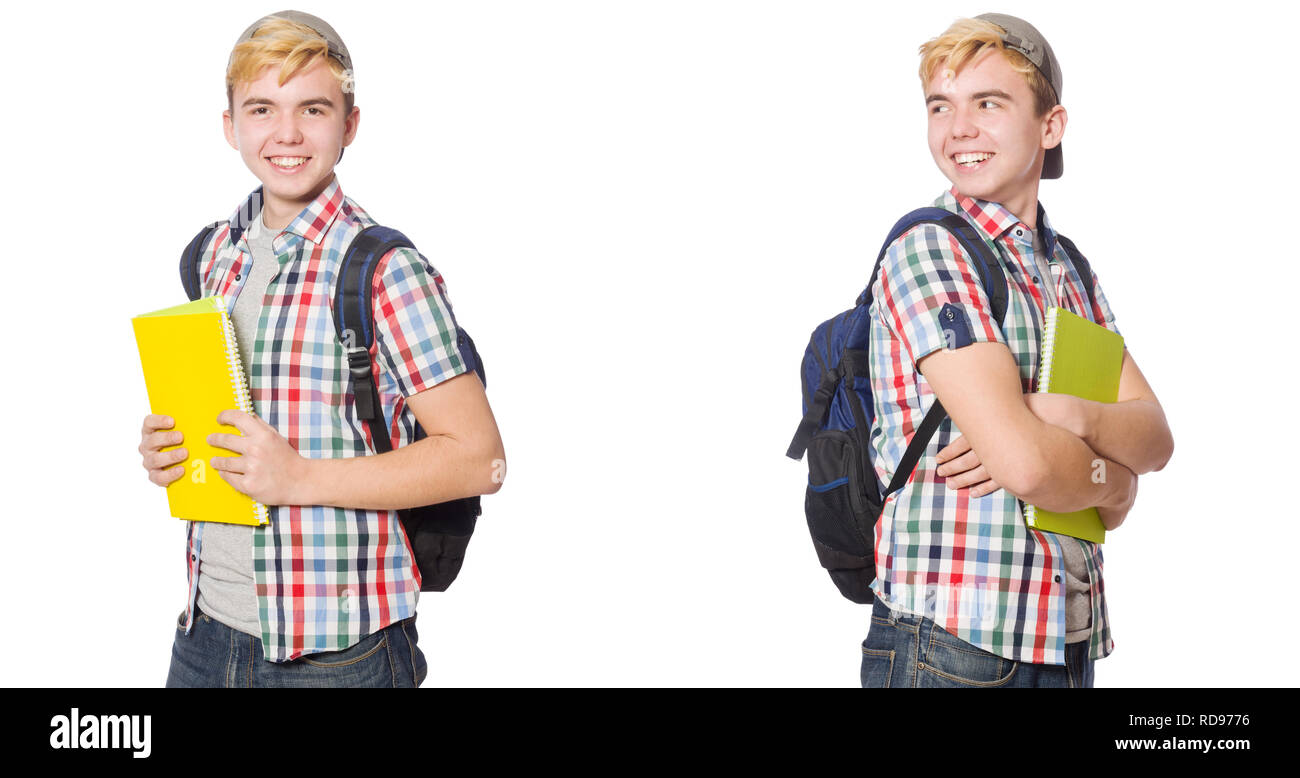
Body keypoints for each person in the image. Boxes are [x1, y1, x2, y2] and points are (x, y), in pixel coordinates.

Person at [137, 10, 506, 687]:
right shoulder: (213, 254)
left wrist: (299, 478)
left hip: (338, 656)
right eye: (261, 108)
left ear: (350, 125)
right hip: (204, 636)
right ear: (230, 126)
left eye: (312, 108)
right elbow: (231, 429)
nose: (285, 133)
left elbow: (480, 460)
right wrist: (172, 449)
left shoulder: (384, 270)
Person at [858, 13, 1173, 687]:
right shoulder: (932, 247)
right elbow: (1029, 467)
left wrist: (1067, 415)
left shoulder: (1067, 269)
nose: (958, 130)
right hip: (953, 645)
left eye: (988, 104)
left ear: (1050, 126)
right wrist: (1111, 483)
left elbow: (1155, 437)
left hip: (1066, 639)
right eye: (940, 106)